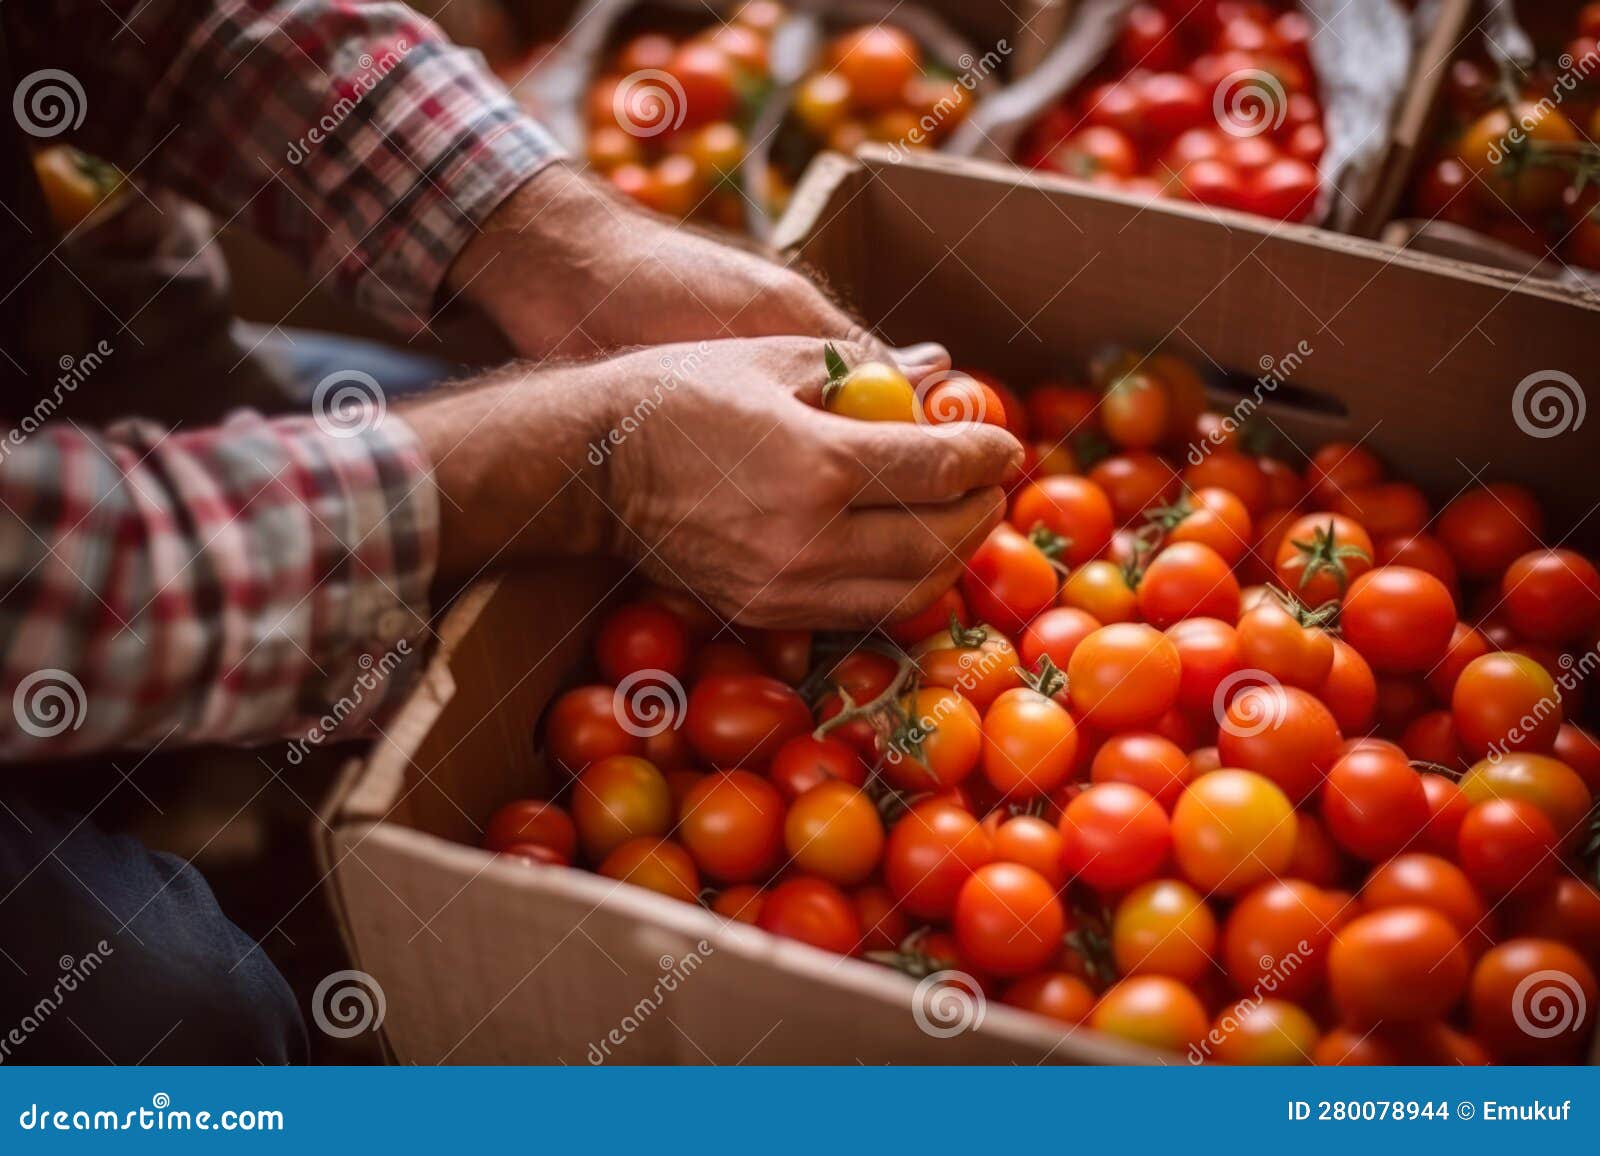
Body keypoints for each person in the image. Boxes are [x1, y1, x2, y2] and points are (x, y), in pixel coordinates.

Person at [0, 1, 1019, 1062]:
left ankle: (263, 788)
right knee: (181, 1013)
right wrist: (601, 466)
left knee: (504, 462)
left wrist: (559, 244)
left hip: (63, 337)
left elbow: (175, 23)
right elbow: (48, 575)